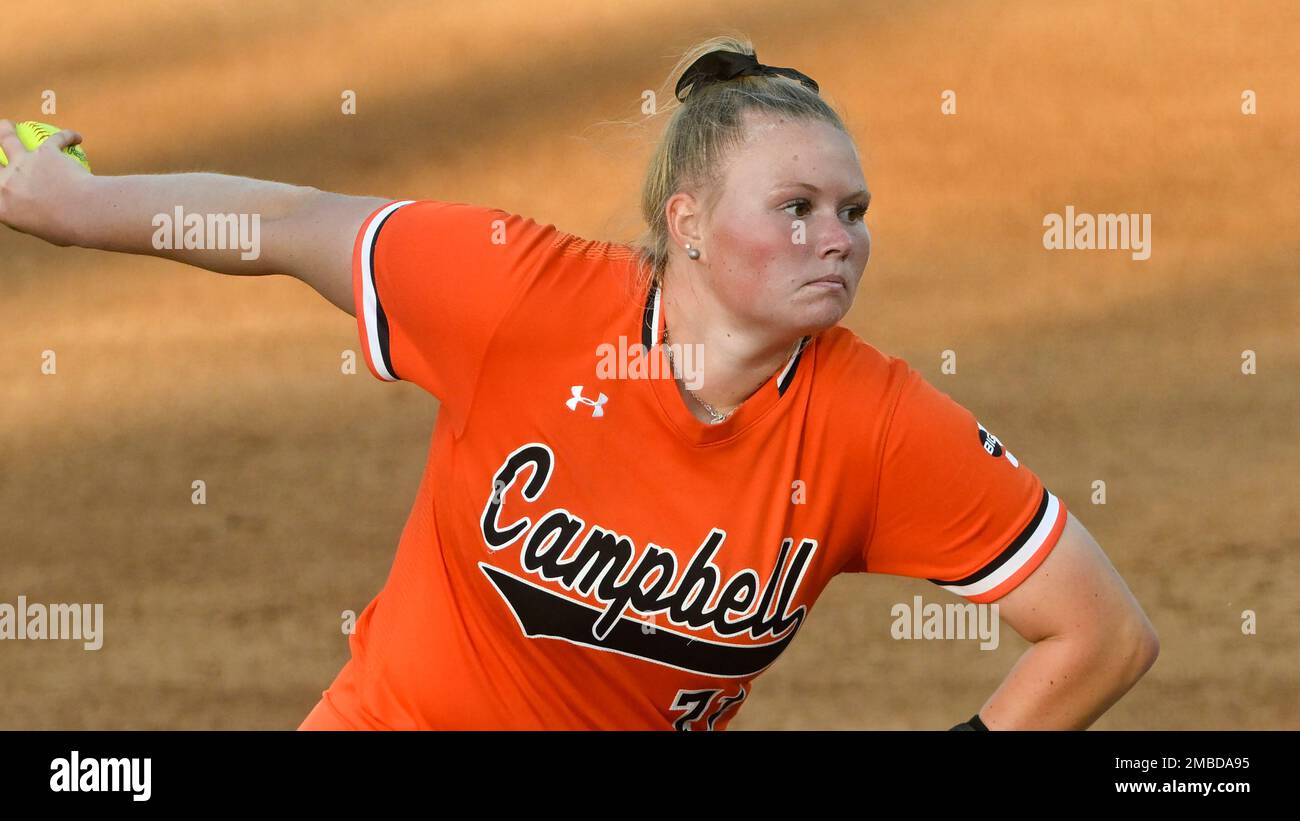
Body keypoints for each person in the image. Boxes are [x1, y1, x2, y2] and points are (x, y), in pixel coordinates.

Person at [0, 35, 1158, 730]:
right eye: (795, 209)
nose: (837, 239)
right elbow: (291, 221)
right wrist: (72, 207)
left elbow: (1100, 634)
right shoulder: (520, 296)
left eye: (853, 212)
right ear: (687, 224)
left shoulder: (877, 422)